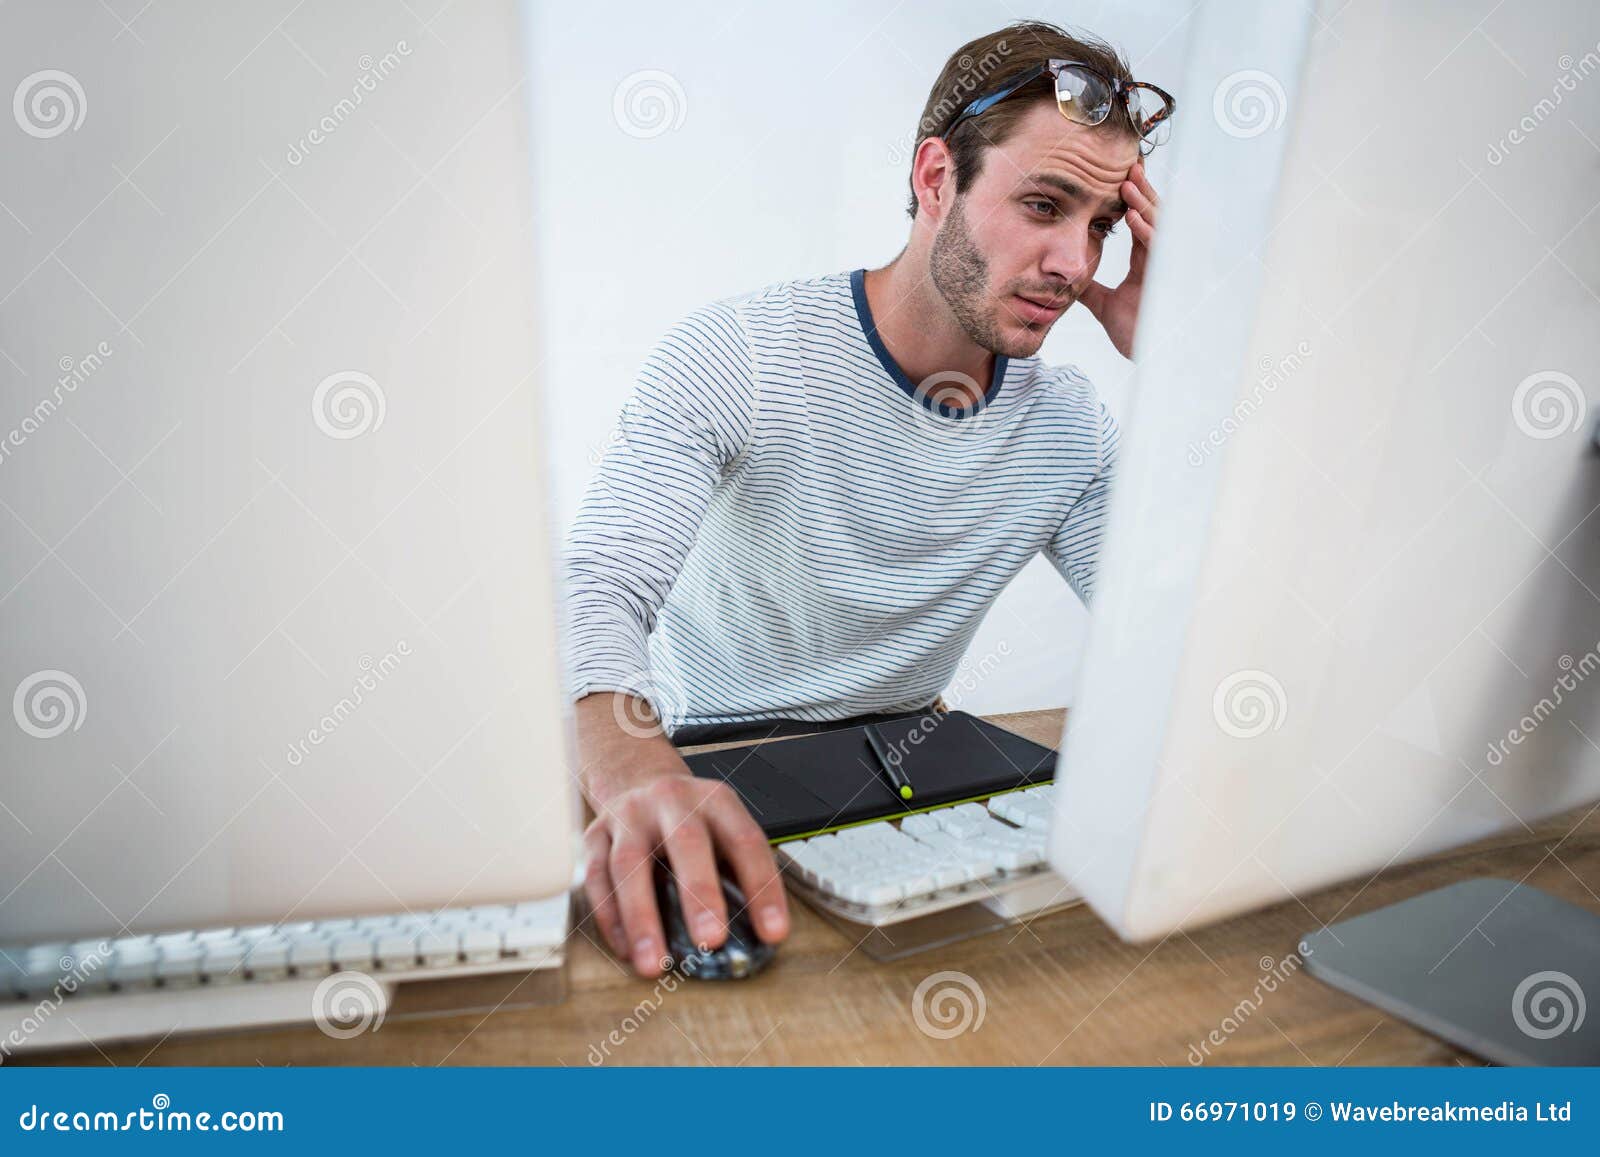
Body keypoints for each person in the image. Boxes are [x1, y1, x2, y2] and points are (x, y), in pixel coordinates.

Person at [565, 20, 1174, 977]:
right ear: (937, 180)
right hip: (703, 765)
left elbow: (1181, 627)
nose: (1075, 263)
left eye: (1101, 225)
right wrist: (636, 772)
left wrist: (1187, 363)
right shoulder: (744, 356)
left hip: (908, 777)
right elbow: (597, 585)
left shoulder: (1070, 423)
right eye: (1046, 204)